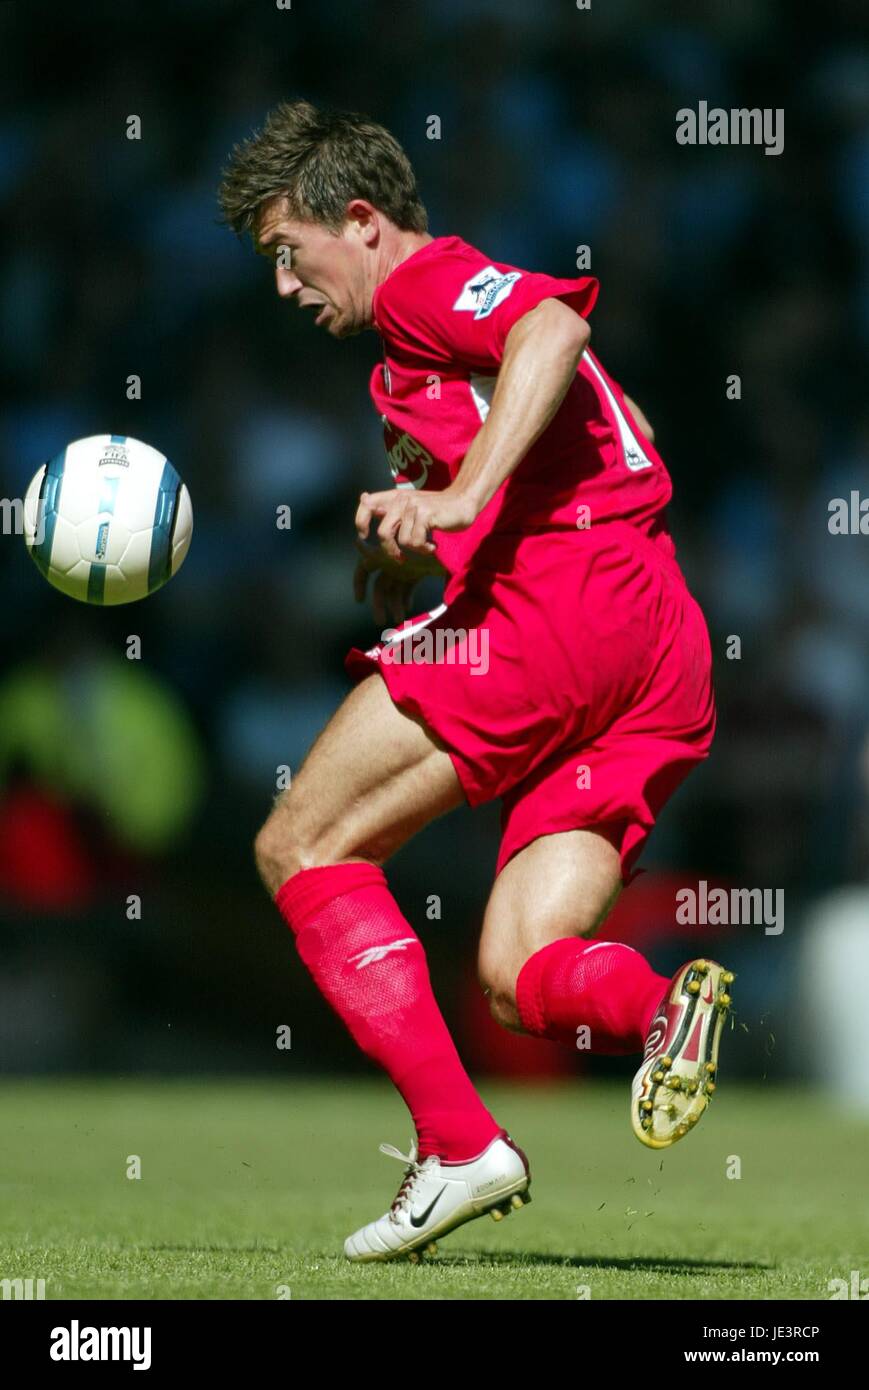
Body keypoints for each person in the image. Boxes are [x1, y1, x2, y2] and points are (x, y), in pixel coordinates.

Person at [219, 99, 731, 1263]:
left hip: (565, 607)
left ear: (357, 219)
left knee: (302, 846)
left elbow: (551, 332)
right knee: (515, 975)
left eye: (287, 254)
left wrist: (460, 505)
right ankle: (664, 1011)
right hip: (657, 642)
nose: (286, 287)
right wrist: (436, 533)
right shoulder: (408, 362)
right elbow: (619, 419)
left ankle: (458, 1147)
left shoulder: (420, 284)